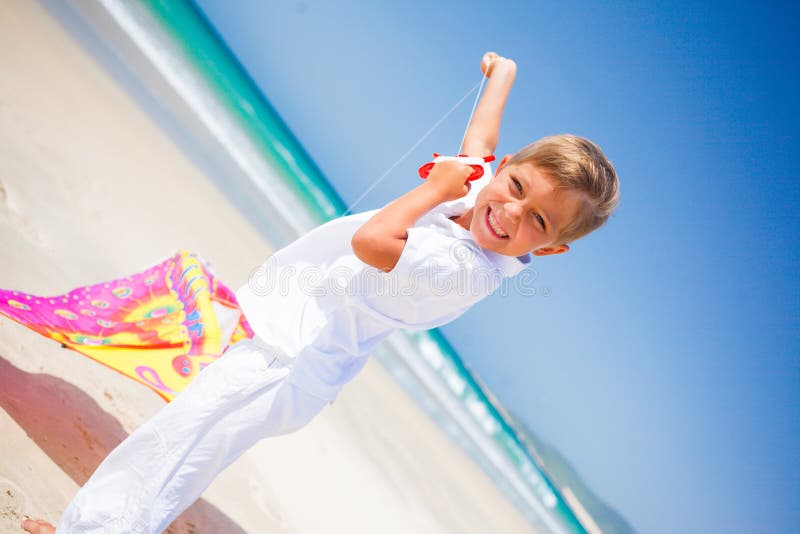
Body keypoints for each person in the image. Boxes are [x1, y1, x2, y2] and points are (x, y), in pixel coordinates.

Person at [22, 51, 619, 533]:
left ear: (548, 249)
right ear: (507, 168)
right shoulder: (483, 192)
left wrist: (434, 191)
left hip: (293, 360)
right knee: (188, 442)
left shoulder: (466, 267)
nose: (511, 212)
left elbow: (373, 241)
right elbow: (481, 144)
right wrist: (501, 76)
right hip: (284, 339)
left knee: (179, 444)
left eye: (539, 221)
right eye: (515, 186)